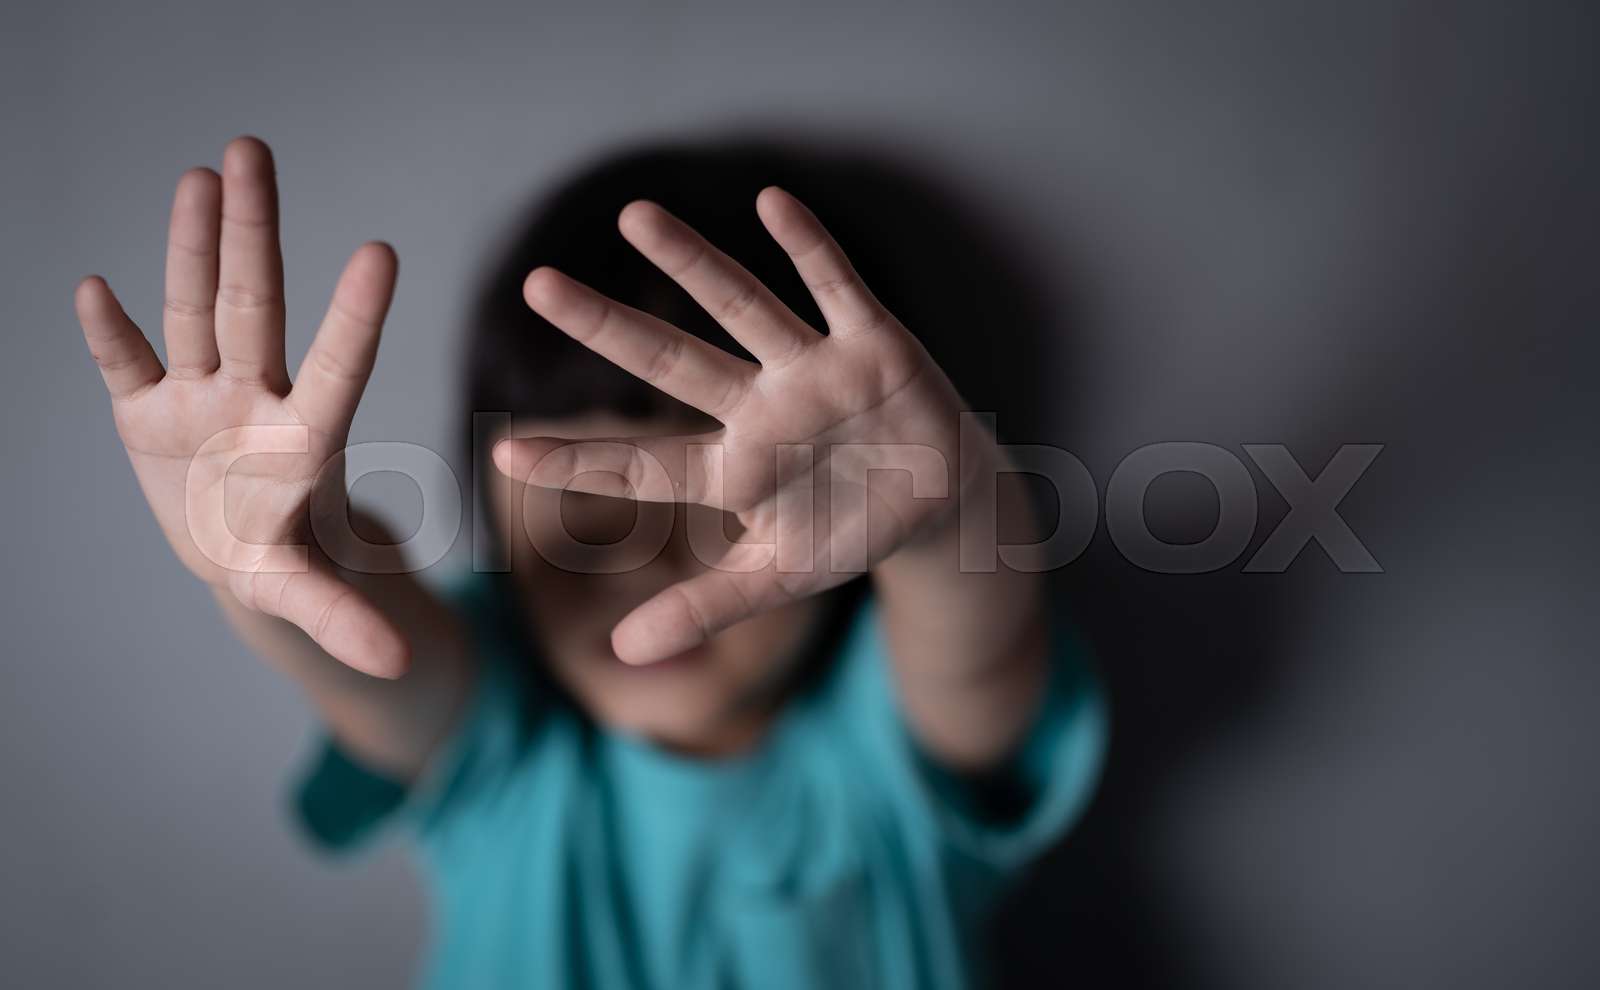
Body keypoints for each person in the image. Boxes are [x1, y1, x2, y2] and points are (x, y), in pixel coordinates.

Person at [74, 135, 1107, 989]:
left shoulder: (883, 764)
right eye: (577, 523)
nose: (642, 574)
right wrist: (272, 546)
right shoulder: (502, 755)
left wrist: (945, 512)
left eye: (706, 511)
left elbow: (972, 637)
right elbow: (365, 636)